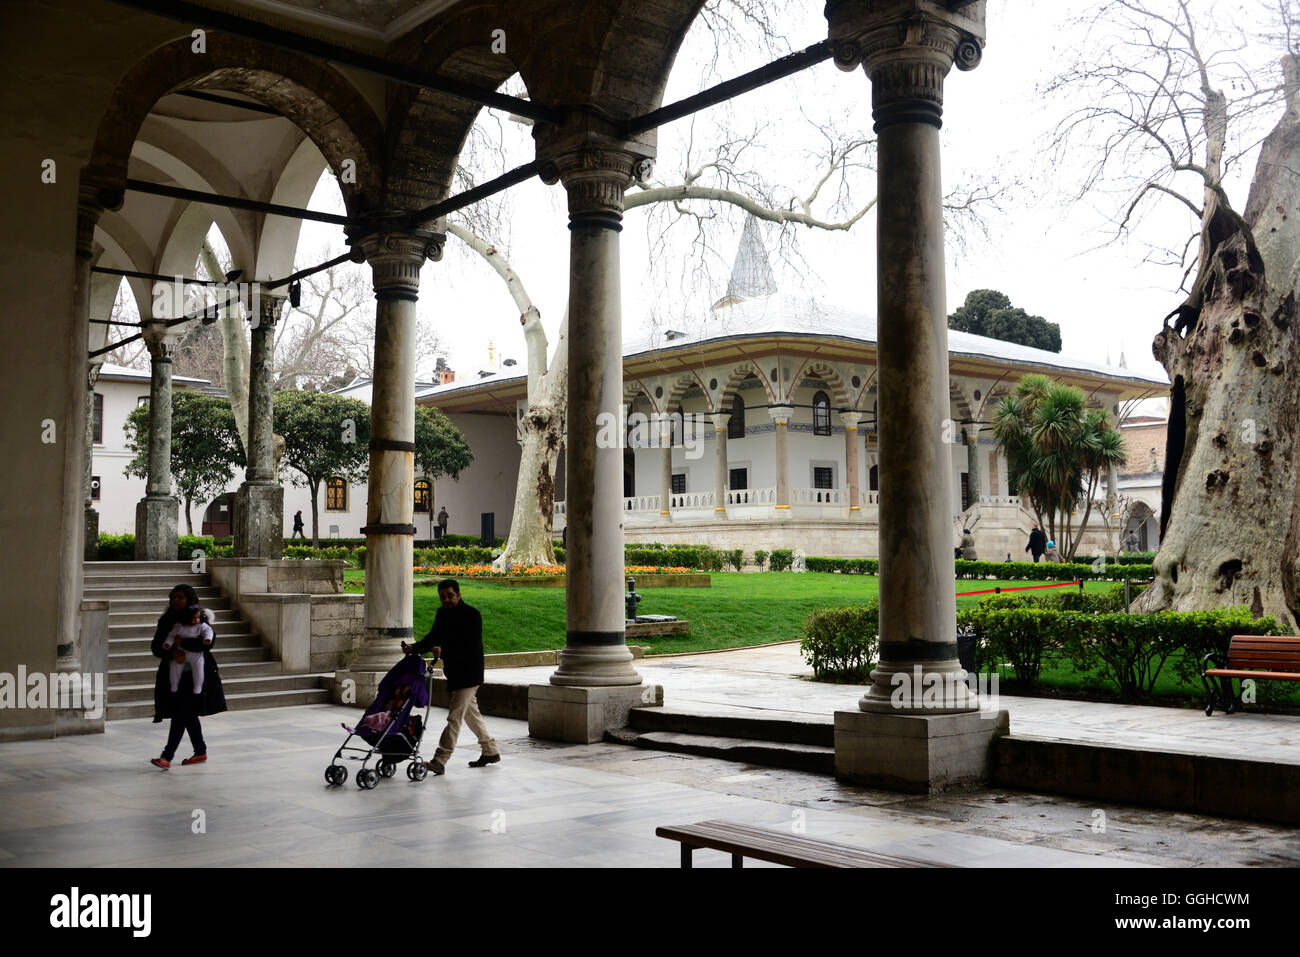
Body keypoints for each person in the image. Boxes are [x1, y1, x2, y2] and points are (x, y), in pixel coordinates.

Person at [401, 579, 498, 774]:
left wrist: (443, 651)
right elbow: (433, 637)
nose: (446, 600)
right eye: (443, 597)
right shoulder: (442, 613)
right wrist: (415, 648)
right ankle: (490, 751)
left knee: (454, 717)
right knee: (471, 714)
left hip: (470, 674)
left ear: (459, 595)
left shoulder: (472, 615)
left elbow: (468, 647)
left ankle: (440, 759)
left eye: (450, 596)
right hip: (455, 673)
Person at [149, 584, 227, 770]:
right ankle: (200, 751)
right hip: (174, 674)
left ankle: (167, 756)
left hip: (196, 676)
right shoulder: (167, 620)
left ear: (189, 600)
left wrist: (182, 643)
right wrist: (172, 653)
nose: (176, 601)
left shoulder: (200, 619)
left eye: (180, 597)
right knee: (187, 713)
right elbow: (157, 646)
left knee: (180, 713)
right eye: (174, 597)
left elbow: (207, 644)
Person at [162, 605, 213, 694]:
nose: (197, 620)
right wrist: (168, 644)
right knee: (175, 668)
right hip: (181, 653)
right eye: (194, 618)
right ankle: (174, 684)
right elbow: (171, 635)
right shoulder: (178, 626)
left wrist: (207, 638)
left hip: (196, 655)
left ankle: (198, 687)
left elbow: (208, 631)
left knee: (198, 669)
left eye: (198, 618)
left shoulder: (201, 625)